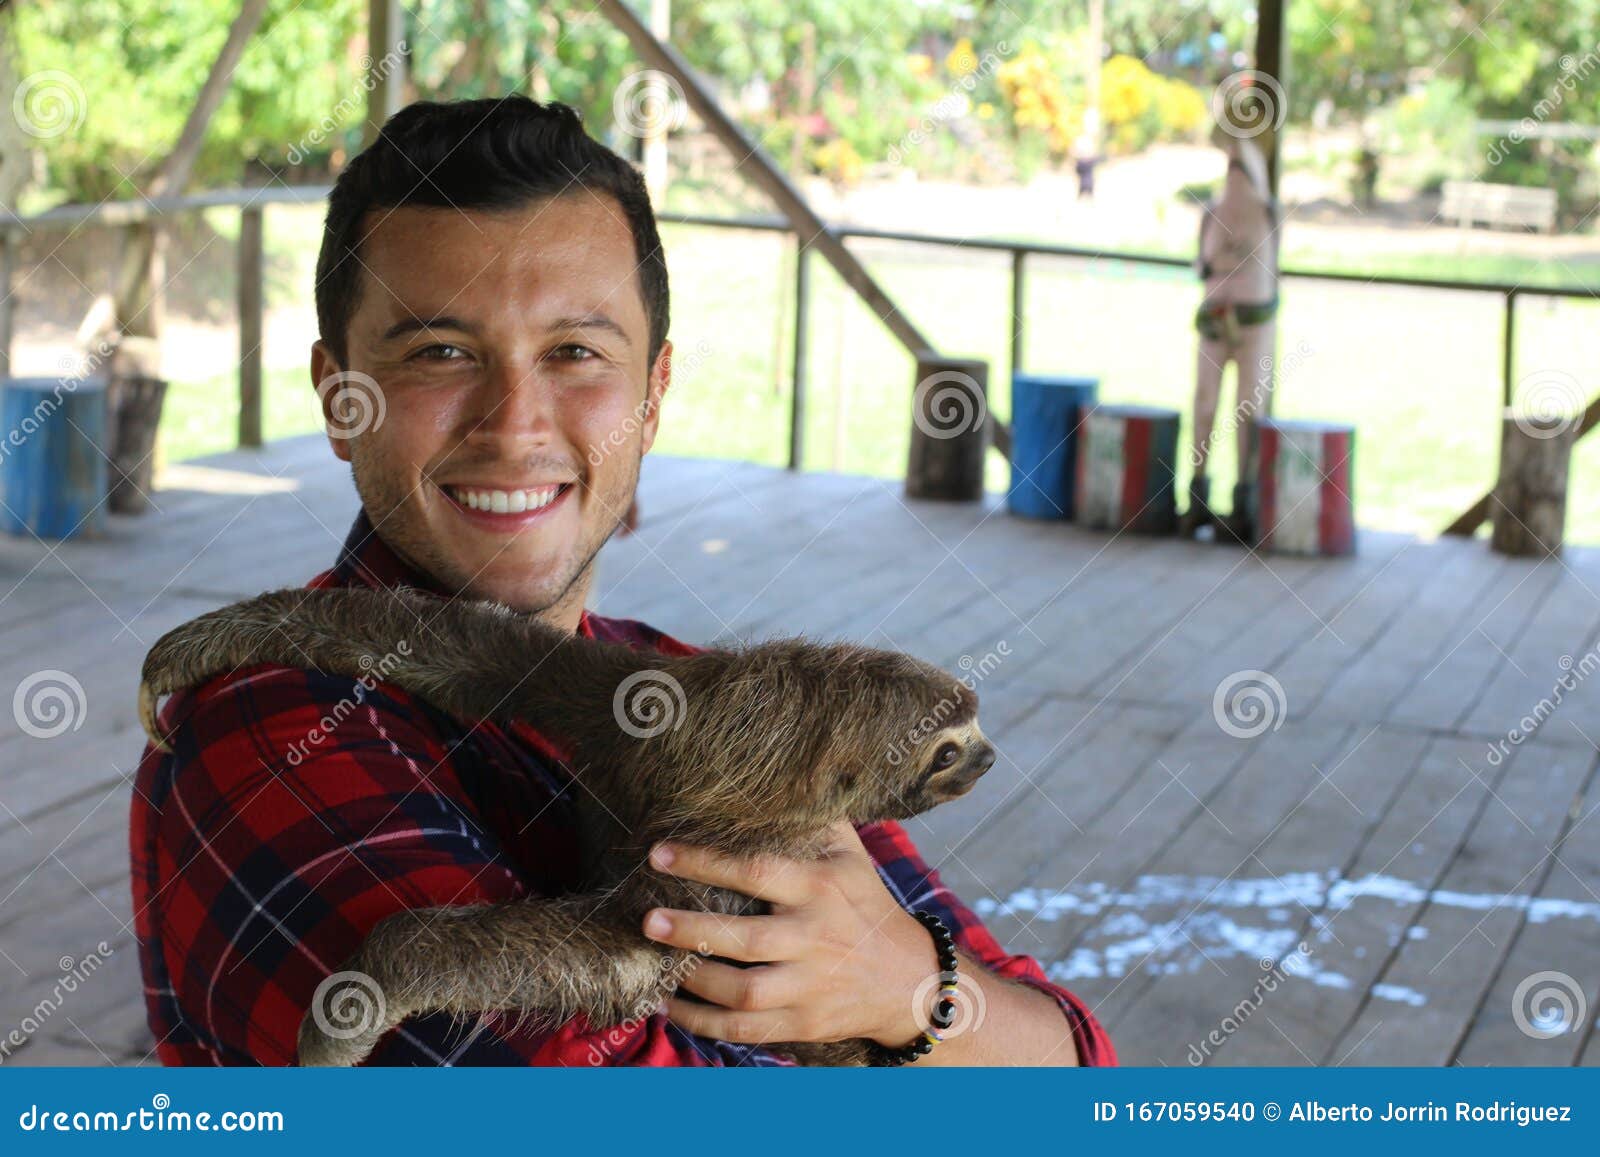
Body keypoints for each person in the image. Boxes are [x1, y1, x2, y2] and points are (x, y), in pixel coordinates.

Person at [129, 96, 1115, 1068]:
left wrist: (916, 988)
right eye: (439, 351)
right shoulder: (269, 729)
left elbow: (1080, 1067)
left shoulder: (688, 688)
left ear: (652, 399)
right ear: (339, 398)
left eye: (575, 352)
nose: (515, 424)